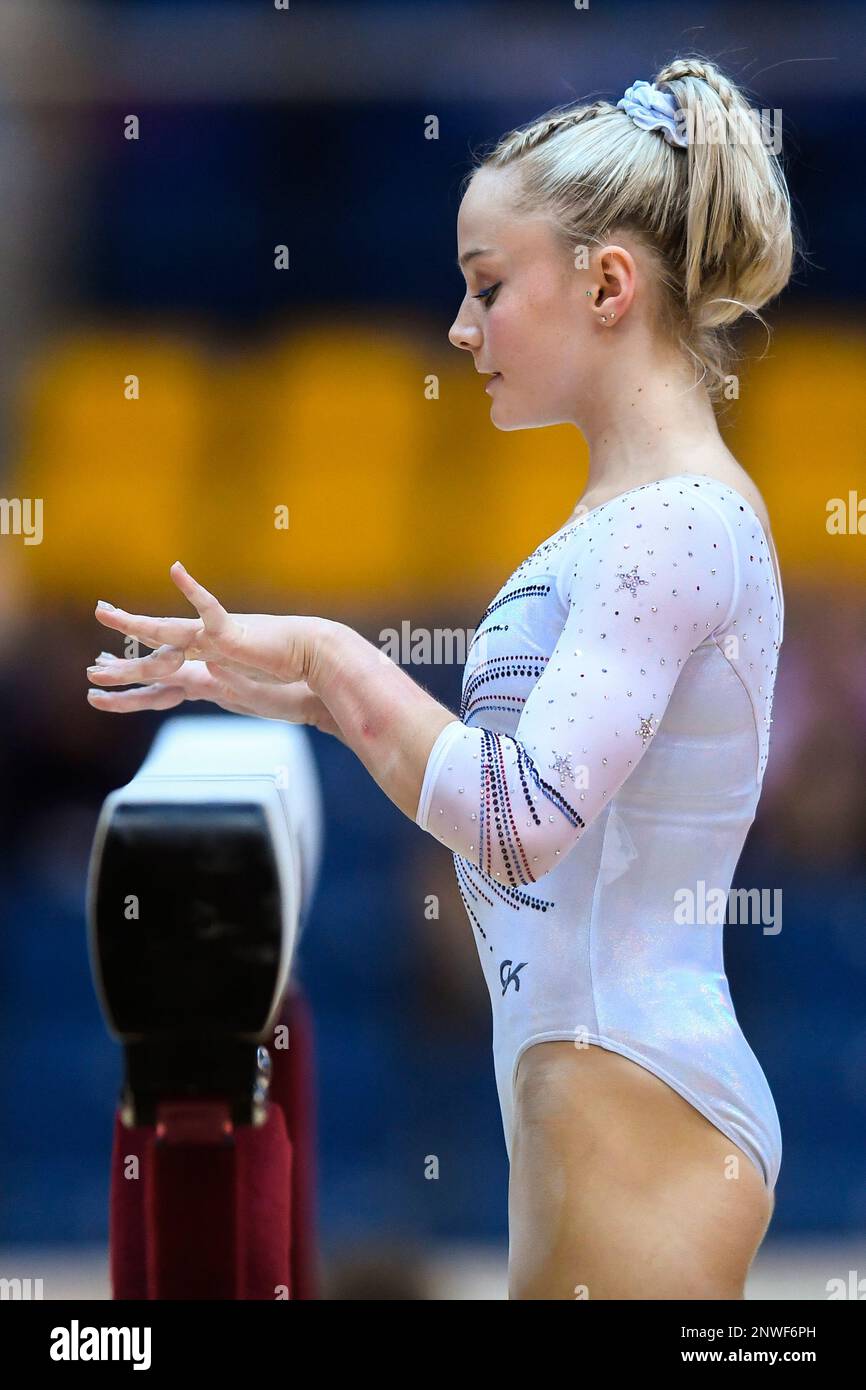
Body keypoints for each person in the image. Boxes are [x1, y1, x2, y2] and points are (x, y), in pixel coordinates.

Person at [87, 55, 796, 1300]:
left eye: (485, 286)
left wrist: (331, 656)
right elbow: (525, 772)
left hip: (637, 1102)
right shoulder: (636, 515)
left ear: (609, 284)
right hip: (607, 1093)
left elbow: (518, 824)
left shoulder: (671, 521)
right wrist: (289, 689)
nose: (461, 328)